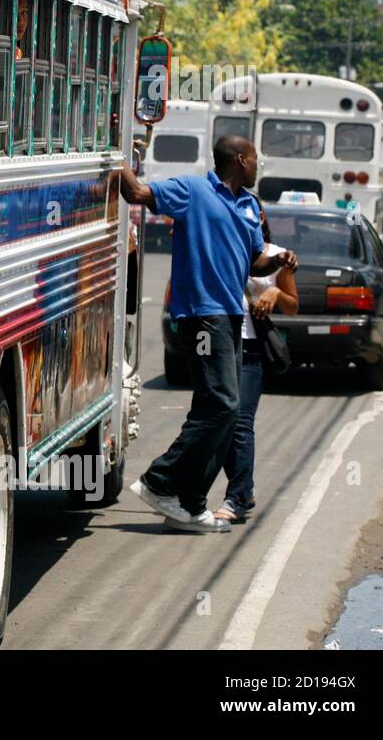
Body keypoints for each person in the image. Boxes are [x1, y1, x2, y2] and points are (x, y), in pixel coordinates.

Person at [117, 135, 297, 532]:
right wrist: (113, 153)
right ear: (239, 159)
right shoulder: (192, 190)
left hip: (231, 315)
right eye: (254, 158)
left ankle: (189, 503)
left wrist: (279, 260)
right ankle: (160, 481)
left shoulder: (249, 206)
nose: (257, 165)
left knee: (217, 410)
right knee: (223, 405)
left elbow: (256, 260)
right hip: (201, 315)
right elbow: (136, 192)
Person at [212, 208, 297, 523]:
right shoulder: (223, 246)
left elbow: (293, 306)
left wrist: (274, 291)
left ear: (260, 217)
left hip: (250, 347)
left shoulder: (277, 256)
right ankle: (244, 489)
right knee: (218, 421)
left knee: (240, 422)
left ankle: (236, 498)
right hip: (219, 343)